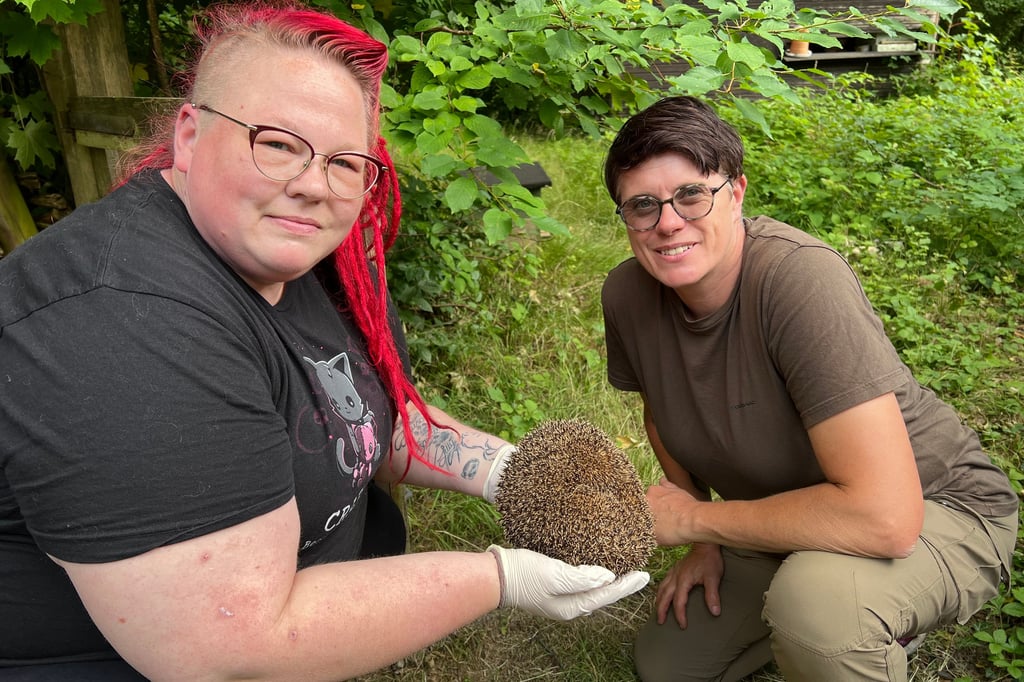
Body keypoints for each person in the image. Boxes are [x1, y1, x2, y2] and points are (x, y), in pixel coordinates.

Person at [0, 4, 649, 680]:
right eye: (277, 143)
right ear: (189, 136)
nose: (314, 185)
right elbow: (235, 652)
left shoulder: (305, 264)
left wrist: (508, 472)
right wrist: (500, 578)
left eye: (345, 161)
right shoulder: (123, 323)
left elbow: (356, 418)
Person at [600, 95, 1018, 682]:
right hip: (792, 514)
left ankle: (864, 616)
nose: (668, 222)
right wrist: (705, 540)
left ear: (736, 192)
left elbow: (885, 518)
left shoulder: (799, 280)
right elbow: (660, 411)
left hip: (934, 506)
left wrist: (695, 523)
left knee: (821, 617)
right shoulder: (627, 294)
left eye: (691, 194)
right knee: (668, 666)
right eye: (642, 206)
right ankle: (828, 600)